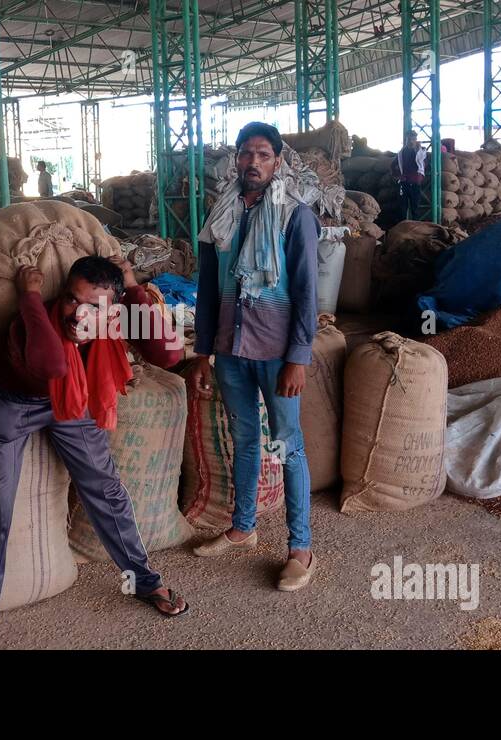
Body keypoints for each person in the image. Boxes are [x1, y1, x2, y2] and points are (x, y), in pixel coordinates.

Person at [0, 256, 189, 618]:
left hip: (73, 401)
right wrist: (29, 296)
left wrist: (133, 285)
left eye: (95, 306)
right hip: (15, 403)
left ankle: (142, 579)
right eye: (71, 299)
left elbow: (169, 353)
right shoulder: (34, 320)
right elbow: (51, 366)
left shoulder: (116, 320)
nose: (78, 315)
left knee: (105, 489)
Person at [187, 121, 318, 592]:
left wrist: (298, 358)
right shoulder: (219, 215)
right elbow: (206, 290)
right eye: (246, 154)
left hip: (276, 351)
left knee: (287, 444)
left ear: (277, 161)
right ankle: (244, 527)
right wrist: (202, 353)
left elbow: (306, 291)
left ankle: (300, 547)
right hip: (230, 349)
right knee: (244, 438)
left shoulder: (293, 215)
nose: (254, 163)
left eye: (264, 155)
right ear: (236, 160)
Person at [392, 130, 426, 221]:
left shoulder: (420, 151)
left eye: (413, 139)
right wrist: (397, 176)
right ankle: (404, 228)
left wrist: (417, 149)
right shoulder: (401, 153)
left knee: (415, 209)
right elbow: (393, 165)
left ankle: (415, 230)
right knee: (402, 209)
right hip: (404, 183)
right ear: (406, 140)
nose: (411, 141)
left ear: (416, 140)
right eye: (409, 139)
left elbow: (423, 160)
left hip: (415, 184)